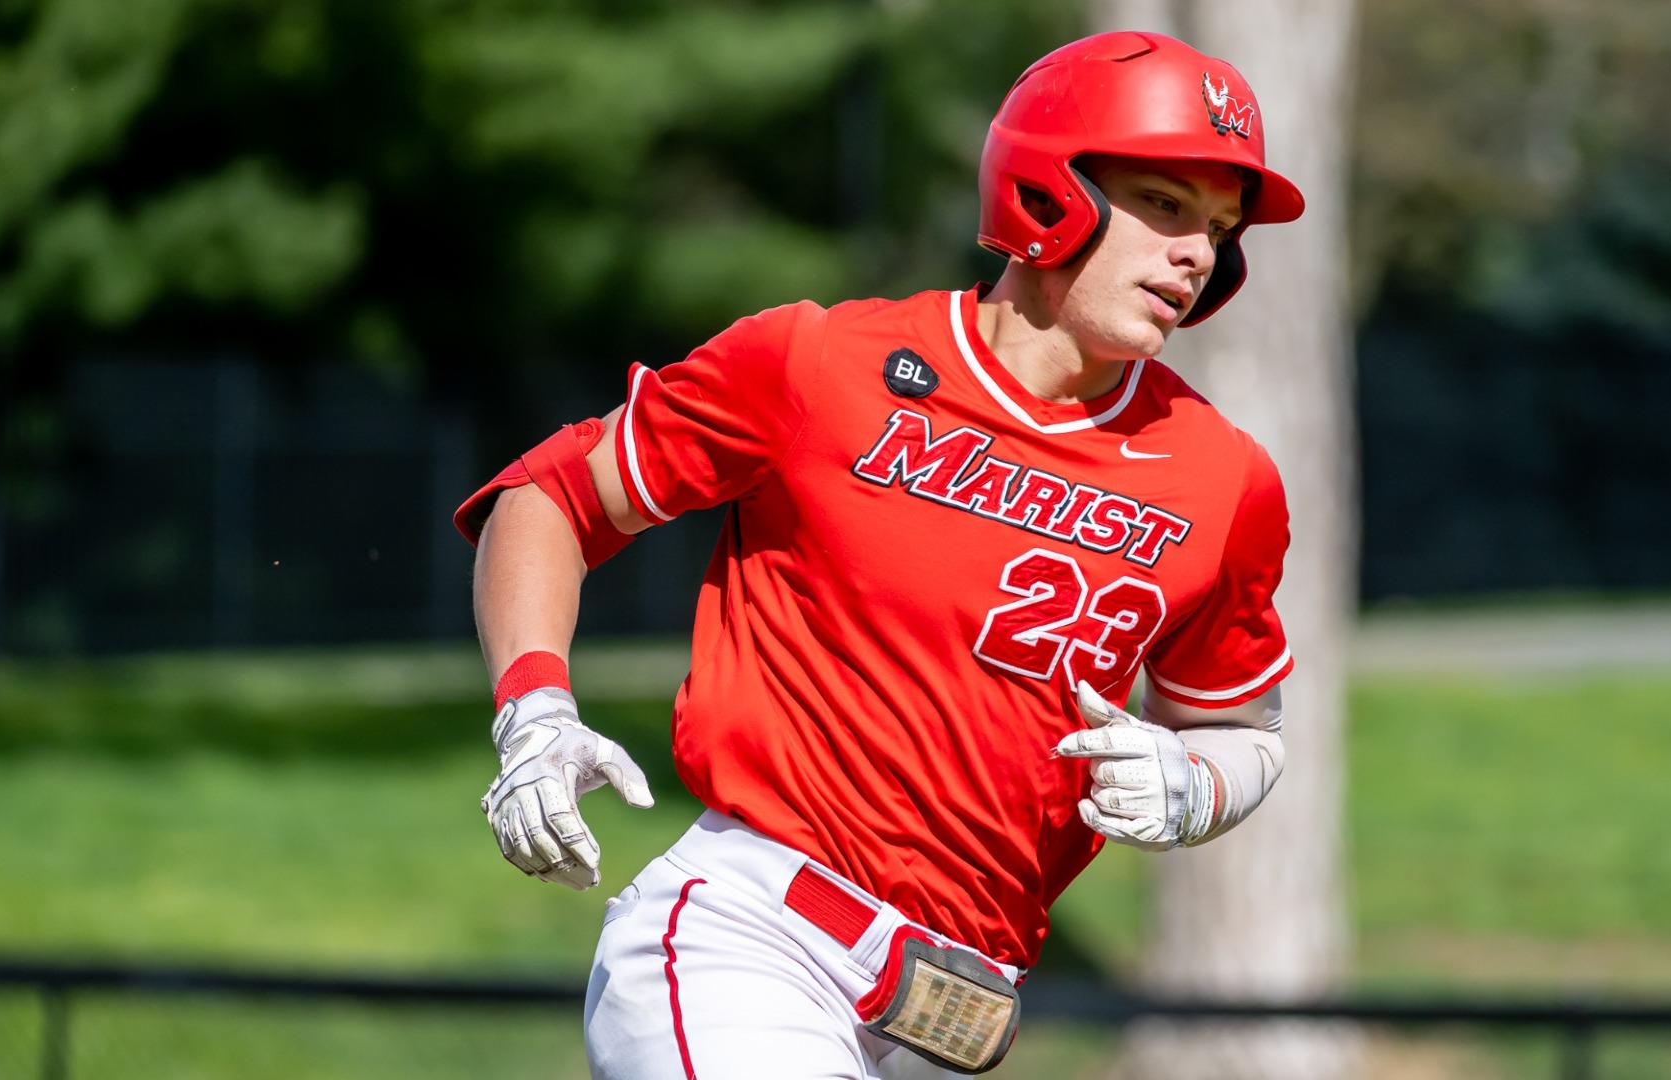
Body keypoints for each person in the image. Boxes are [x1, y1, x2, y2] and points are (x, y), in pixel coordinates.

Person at [455, 30, 1306, 1079]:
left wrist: (1195, 785)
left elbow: (1241, 728)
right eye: (1166, 204)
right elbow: (550, 498)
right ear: (1050, 190)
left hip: (946, 1020)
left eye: (1219, 229)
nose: (1197, 253)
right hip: (750, 944)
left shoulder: (1225, 478)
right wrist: (534, 714)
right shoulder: (820, 364)